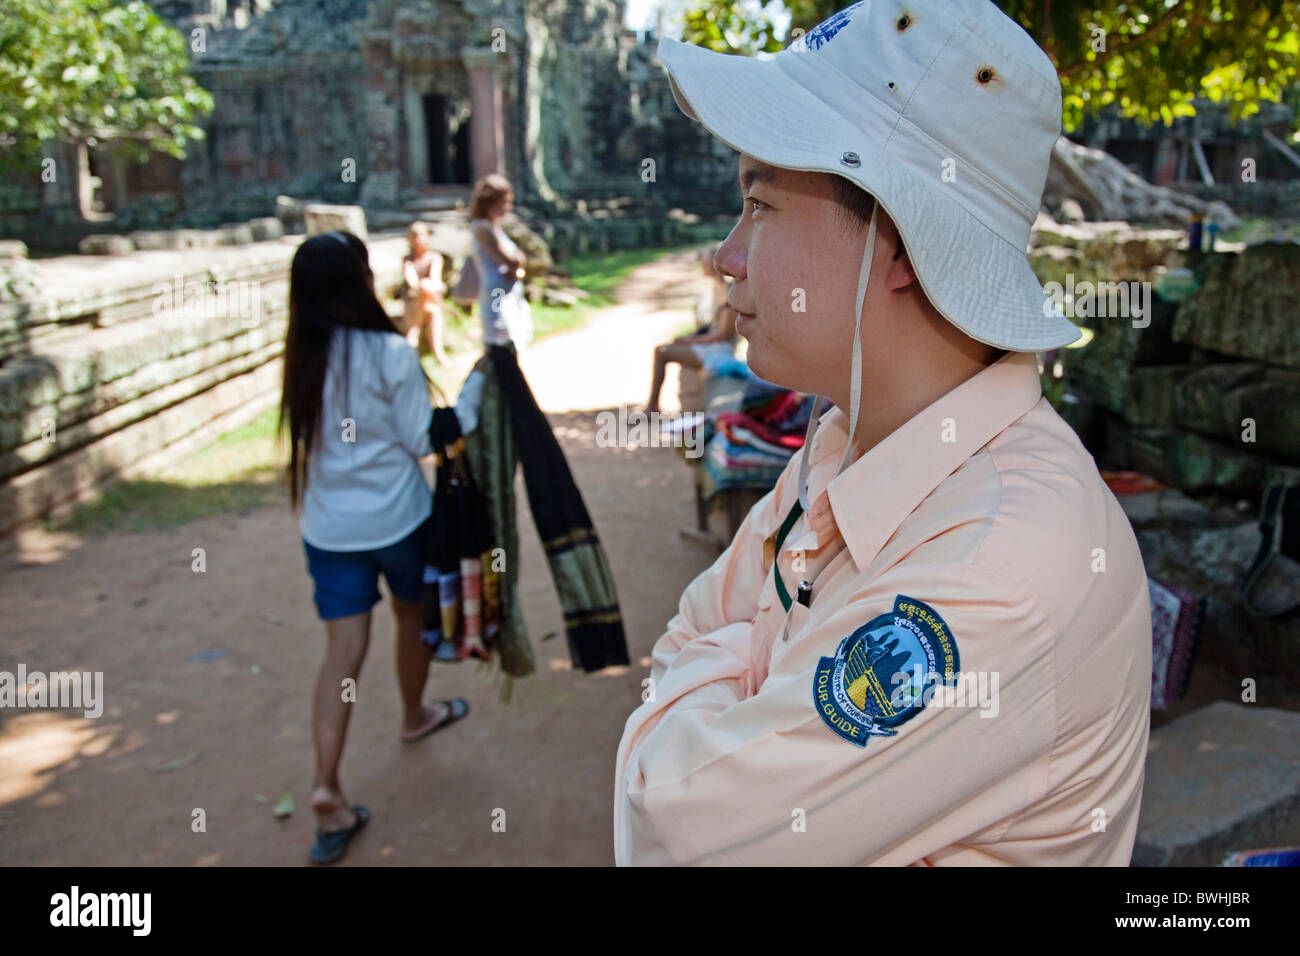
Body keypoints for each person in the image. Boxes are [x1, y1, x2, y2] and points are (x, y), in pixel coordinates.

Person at [614, 0, 1152, 865]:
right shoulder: (857, 442)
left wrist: (739, 665)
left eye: (760, 203)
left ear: (901, 243)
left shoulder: (996, 568)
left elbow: (672, 823)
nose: (726, 254)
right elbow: (688, 627)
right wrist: (749, 670)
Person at [279, 230, 470, 865]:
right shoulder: (387, 352)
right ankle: (415, 714)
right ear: (358, 282)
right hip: (398, 520)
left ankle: (326, 785)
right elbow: (423, 439)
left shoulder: (302, 354)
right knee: (411, 616)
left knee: (343, 651)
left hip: (330, 529)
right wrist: (468, 403)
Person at [646, 245, 739, 414]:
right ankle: (652, 407)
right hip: (711, 344)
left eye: (705, 262)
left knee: (662, 352)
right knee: (664, 349)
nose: (702, 265)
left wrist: (688, 340)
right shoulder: (714, 289)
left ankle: (652, 408)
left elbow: (722, 335)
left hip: (719, 350)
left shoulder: (728, 294)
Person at [468, 174, 533, 350]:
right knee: (499, 343)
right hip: (497, 292)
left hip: (506, 290)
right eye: (504, 202)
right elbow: (510, 261)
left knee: (511, 343)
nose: (507, 207)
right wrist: (518, 260)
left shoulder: (493, 226)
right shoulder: (483, 227)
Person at [402, 221, 449, 364]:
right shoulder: (407, 260)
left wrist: (425, 286)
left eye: (421, 236)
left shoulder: (434, 257)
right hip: (414, 300)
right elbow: (411, 281)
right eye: (415, 237)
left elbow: (435, 280)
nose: (419, 240)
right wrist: (421, 287)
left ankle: (415, 339)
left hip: (430, 297)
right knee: (428, 303)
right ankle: (439, 356)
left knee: (432, 308)